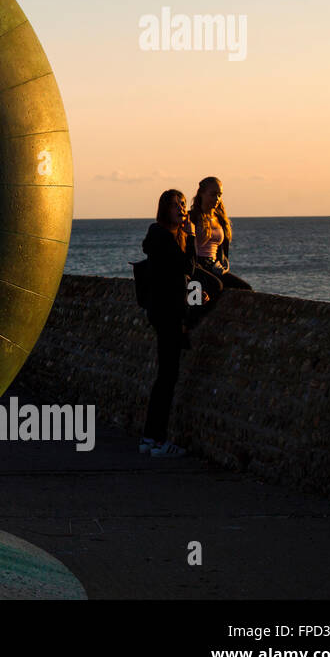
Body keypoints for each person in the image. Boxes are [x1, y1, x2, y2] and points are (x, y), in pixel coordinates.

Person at [140, 189, 200, 458]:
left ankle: (149, 438)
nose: (182, 209)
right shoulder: (164, 237)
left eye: (184, 204)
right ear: (165, 209)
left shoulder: (158, 236)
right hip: (168, 312)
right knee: (167, 377)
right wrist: (192, 236)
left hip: (161, 310)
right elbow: (187, 268)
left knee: (164, 377)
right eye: (177, 205)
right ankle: (158, 440)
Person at [189, 176, 253, 297]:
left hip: (214, 266)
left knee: (245, 289)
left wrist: (222, 265)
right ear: (202, 194)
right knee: (213, 287)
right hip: (196, 266)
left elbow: (223, 251)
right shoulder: (191, 218)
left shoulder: (220, 220)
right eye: (213, 194)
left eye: (219, 195)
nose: (217, 198)